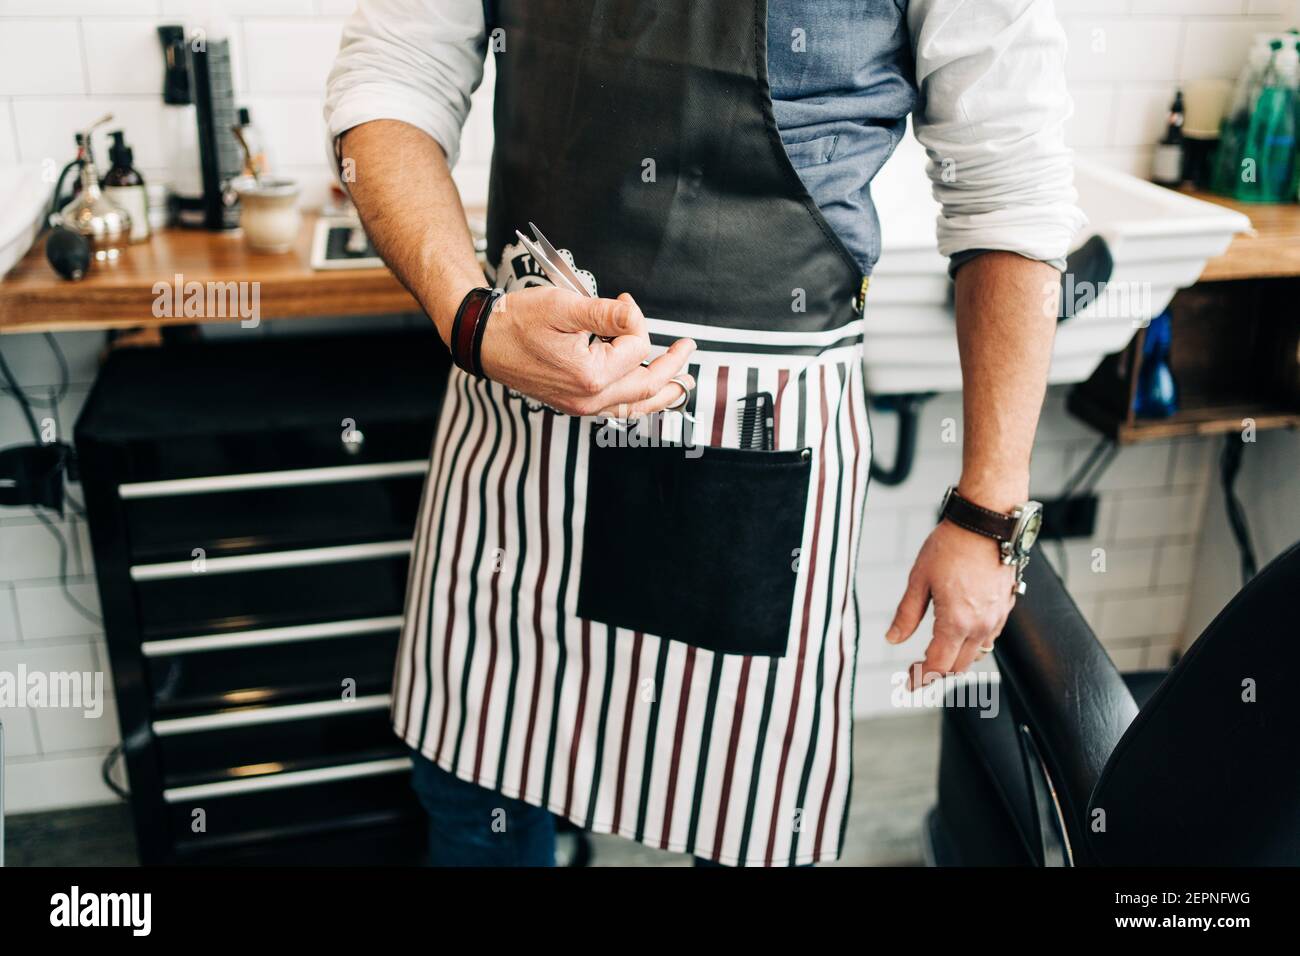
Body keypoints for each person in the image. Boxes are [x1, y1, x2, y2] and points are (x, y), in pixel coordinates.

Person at [325, 0, 1085, 867]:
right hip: (512, 411)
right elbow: (390, 78)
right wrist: (472, 318)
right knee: (469, 797)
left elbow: (1009, 187)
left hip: (757, 449)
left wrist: (991, 511)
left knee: (751, 829)